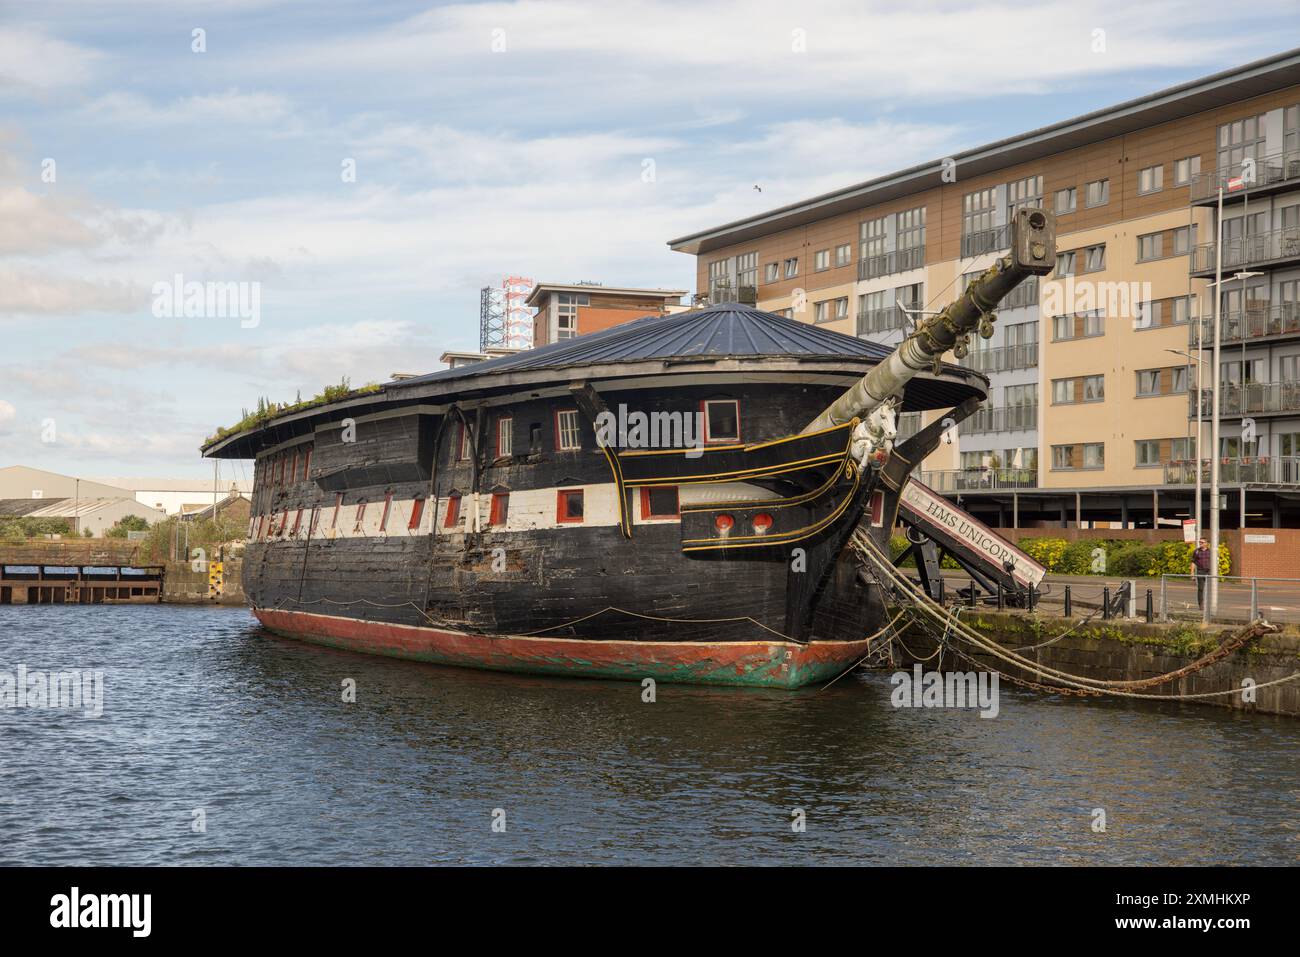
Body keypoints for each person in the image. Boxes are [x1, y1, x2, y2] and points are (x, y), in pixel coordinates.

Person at [1191, 537, 1213, 609]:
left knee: (1211, 589)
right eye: (1200, 542)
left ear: (1206, 543)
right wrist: (1192, 573)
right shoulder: (1196, 551)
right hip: (1200, 571)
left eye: (1202, 542)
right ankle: (1201, 604)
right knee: (1200, 589)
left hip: (1209, 572)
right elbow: (1193, 562)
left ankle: (1210, 604)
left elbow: (1215, 561)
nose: (1200, 543)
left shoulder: (1211, 551)